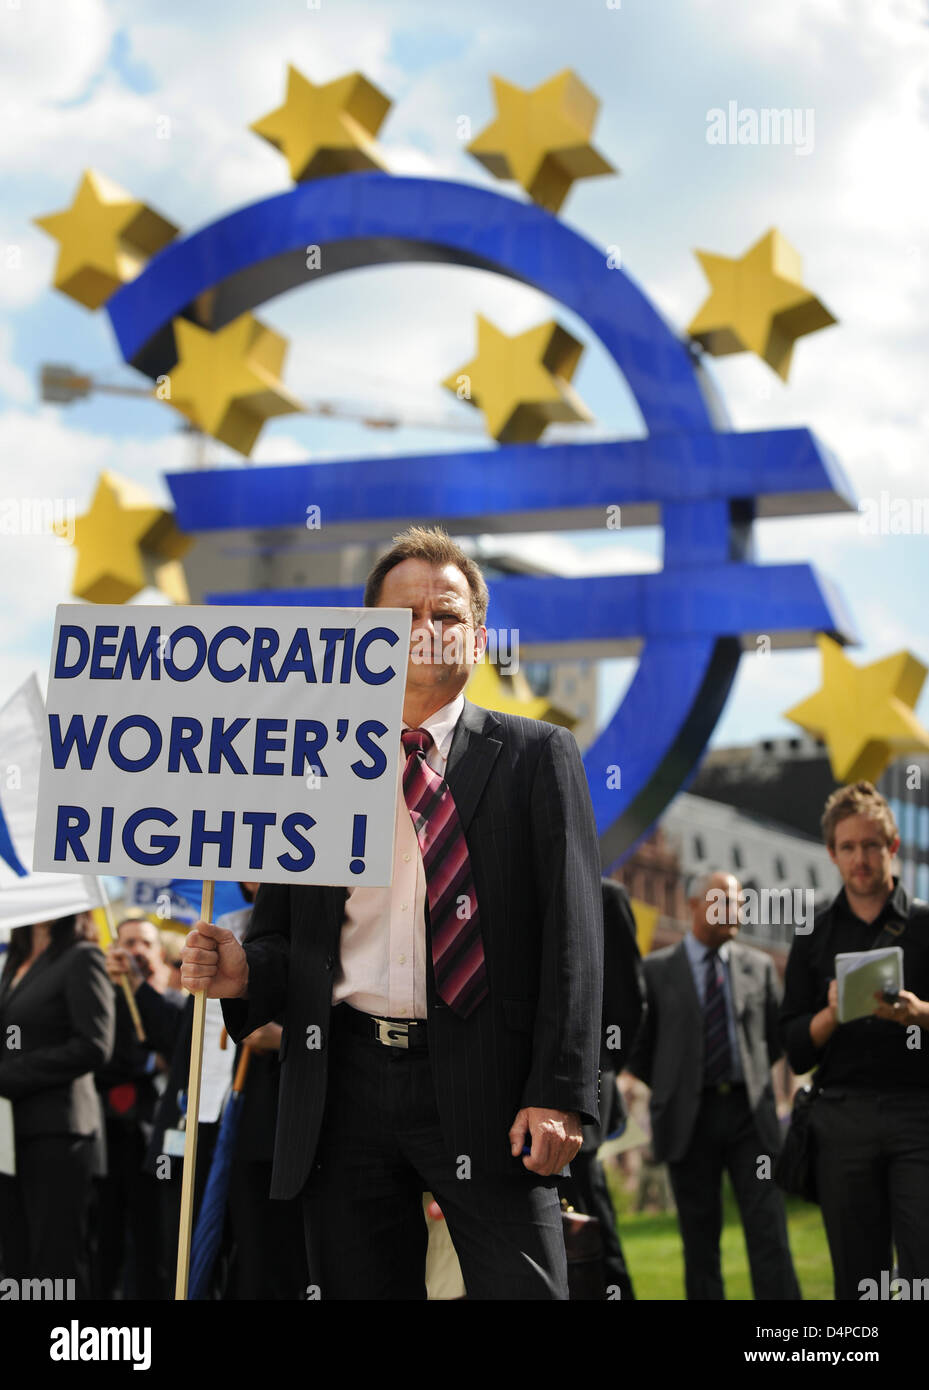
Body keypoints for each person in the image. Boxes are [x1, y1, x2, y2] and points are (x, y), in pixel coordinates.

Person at [182, 524, 604, 1300]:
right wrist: (244, 970)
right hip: (344, 1086)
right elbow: (284, 938)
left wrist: (561, 1092)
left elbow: (573, 945)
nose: (426, 632)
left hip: (493, 1091)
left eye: (446, 616)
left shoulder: (537, 756)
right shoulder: (316, 761)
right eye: (404, 617)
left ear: (477, 638)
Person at [780, 781, 929, 1301]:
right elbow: (794, 1048)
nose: (860, 858)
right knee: (858, 1283)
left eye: (870, 845)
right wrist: (830, 1015)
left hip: (919, 1115)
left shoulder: (927, 924)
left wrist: (919, 1013)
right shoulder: (813, 933)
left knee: (922, 1276)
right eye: (848, 847)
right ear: (832, 854)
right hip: (841, 1117)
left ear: (892, 847)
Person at [625, 871, 800, 1300]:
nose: (735, 910)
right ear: (694, 906)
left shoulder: (757, 967)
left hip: (749, 1117)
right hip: (690, 1120)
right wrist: (672, 1086)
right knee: (700, 1241)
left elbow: (776, 1039)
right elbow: (639, 1049)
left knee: (769, 1231)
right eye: (723, 900)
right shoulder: (656, 970)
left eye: (740, 902)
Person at [0, 913, 115, 1298]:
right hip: (10, 1135)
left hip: (58, 1131)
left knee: (54, 1262)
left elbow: (94, 1045)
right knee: (16, 1261)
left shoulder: (82, 956)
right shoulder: (14, 963)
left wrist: (10, 1075)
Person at [558, 876, 645, 1299]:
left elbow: (629, 1003)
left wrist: (600, 1068)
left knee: (592, 1223)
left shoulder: (606, 896)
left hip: (586, 1087)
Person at [92, 914, 169, 1299]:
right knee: (104, 1234)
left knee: (154, 1237)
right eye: (129, 943)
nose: (137, 951)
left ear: (160, 952)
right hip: (109, 1131)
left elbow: (178, 1046)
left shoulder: (178, 1001)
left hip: (160, 1140)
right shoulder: (102, 998)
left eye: (145, 943)